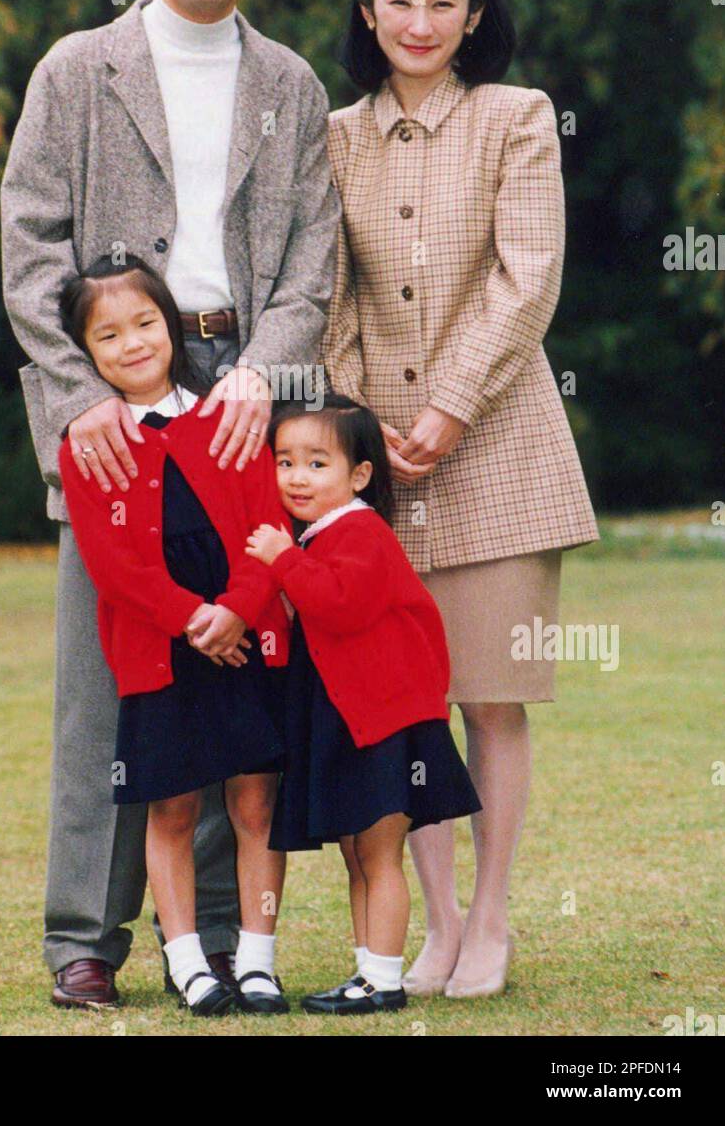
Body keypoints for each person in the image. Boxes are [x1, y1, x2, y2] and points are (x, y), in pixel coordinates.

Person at [0, 0, 340, 1008]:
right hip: (115, 389)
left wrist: (269, 370)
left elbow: (313, 260)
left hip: (238, 394)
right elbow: (30, 250)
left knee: (231, 659)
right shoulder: (77, 70)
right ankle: (83, 936)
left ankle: (212, 947)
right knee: (110, 674)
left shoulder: (290, 86)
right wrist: (82, 396)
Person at [322, 0, 599, 999]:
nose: (421, 20)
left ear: (473, 13)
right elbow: (329, 288)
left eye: (443, 1)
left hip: (499, 448)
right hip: (376, 466)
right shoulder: (335, 135)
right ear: (367, 12)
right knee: (403, 703)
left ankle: (491, 919)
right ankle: (431, 923)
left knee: (489, 696)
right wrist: (359, 421)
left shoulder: (516, 118)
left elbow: (527, 278)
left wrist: (445, 406)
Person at [57, 254, 292, 1015]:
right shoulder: (89, 446)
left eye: (145, 323)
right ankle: (187, 959)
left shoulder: (228, 419)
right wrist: (196, 621)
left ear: (171, 323)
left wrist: (239, 608)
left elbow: (269, 524)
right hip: (162, 652)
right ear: (86, 354)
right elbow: (114, 567)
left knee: (256, 803)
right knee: (174, 807)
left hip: (247, 638)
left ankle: (255, 959)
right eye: (108, 335)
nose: (131, 344)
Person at [244, 396, 481, 1015]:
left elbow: (339, 604)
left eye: (317, 463)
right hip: (357, 721)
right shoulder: (324, 532)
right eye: (285, 461)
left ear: (359, 475)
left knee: (378, 853)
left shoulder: (360, 531)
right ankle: (371, 973)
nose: (297, 477)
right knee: (361, 853)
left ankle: (383, 982)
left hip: (387, 723)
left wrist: (282, 558)